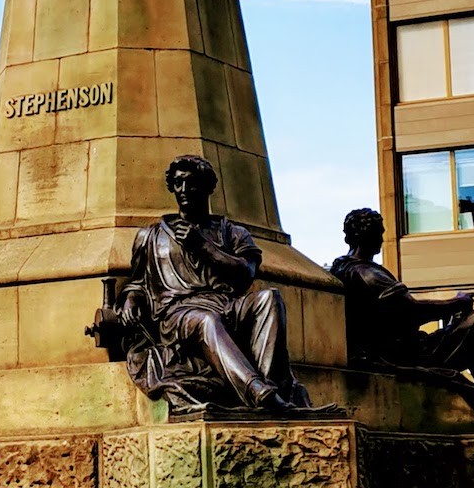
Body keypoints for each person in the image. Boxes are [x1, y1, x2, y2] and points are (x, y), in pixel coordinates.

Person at [94, 154, 311, 415]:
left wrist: (203, 246)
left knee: (269, 298)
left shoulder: (232, 232)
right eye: (178, 183)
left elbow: (246, 272)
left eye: (192, 183)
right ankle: (257, 391)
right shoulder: (150, 236)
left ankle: (272, 389)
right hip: (178, 315)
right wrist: (130, 299)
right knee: (206, 320)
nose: (184, 190)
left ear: (208, 187)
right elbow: (138, 283)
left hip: (227, 305)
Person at [329, 207, 474, 424]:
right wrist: (457, 302)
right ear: (372, 235)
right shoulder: (367, 274)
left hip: (405, 349)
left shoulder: (345, 269)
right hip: (410, 355)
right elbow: (412, 311)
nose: (382, 238)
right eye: (380, 232)